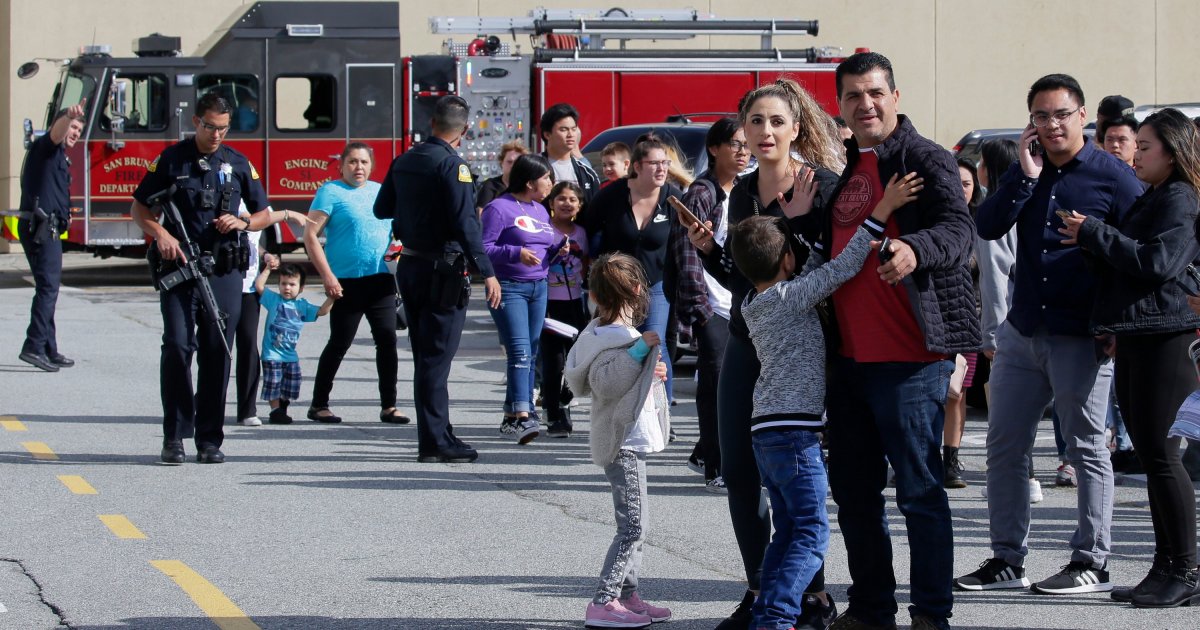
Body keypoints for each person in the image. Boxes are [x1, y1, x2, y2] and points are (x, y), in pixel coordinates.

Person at [801, 52, 978, 630]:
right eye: (853, 96)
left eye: (875, 93)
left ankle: (931, 614)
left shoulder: (925, 160)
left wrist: (915, 248)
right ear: (841, 107)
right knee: (854, 498)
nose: (865, 104)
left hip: (911, 359)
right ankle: (873, 608)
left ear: (895, 97)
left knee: (920, 495)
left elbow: (958, 230)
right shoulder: (850, 169)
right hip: (849, 362)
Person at [960, 73, 1143, 595]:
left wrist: (1118, 323)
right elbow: (989, 226)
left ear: (1082, 115)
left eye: (1061, 114)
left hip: (1081, 333)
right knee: (1004, 446)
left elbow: (1139, 255)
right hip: (1023, 329)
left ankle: (1092, 560)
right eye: (1041, 116)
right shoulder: (1028, 172)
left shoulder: (1113, 176)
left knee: (1086, 447)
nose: (1052, 124)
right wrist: (1021, 175)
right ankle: (1006, 560)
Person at [688, 78, 846, 630]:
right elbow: (745, 278)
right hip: (746, 340)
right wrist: (710, 253)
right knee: (737, 469)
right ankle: (759, 589)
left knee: (800, 492)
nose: (765, 131)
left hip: (806, 349)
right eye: (755, 122)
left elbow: (828, 271)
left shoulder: (821, 185)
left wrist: (801, 223)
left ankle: (814, 597)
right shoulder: (744, 191)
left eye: (776, 121)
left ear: (796, 126)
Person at [730, 171, 913, 630]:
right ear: (787, 261)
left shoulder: (755, 300)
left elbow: (811, 270)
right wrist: (882, 211)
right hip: (794, 435)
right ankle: (775, 618)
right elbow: (844, 264)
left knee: (788, 530)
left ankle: (766, 613)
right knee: (811, 532)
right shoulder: (792, 297)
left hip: (767, 432)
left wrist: (794, 224)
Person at [1060, 107, 1200, 608]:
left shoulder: (1181, 197)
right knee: (1150, 456)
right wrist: (1093, 239)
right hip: (1140, 333)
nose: (1135, 154)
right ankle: (1164, 568)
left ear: (1174, 150)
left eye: (1145, 147)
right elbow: (1130, 259)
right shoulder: (1155, 196)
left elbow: (1158, 262)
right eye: (1135, 146)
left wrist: (1095, 233)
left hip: (1169, 337)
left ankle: (1184, 570)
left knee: (1164, 457)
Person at [131, 92, 293, 465]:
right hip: (179, 270)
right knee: (176, 346)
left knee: (218, 350)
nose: (217, 134)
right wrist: (162, 234)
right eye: (210, 127)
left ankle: (209, 438)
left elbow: (264, 213)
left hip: (222, 271)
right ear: (196, 122)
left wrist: (243, 222)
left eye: (223, 128)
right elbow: (139, 208)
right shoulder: (171, 161)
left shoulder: (237, 163)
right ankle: (174, 436)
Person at [373, 95, 501, 464]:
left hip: (411, 265)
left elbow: (382, 208)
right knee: (436, 359)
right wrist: (487, 271)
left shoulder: (405, 159)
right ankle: (434, 441)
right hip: (443, 270)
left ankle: (438, 432)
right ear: (462, 132)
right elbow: (466, 224)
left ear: (432, 124)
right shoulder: (453, 166)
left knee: (425, 356)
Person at [563, 252, 672, 629]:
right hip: (621, 441)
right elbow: (606, 382)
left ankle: (628, 595)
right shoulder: (614, 337)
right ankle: (603, 601)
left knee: (637, 524)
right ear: (638, 290)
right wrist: (640, 352)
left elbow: (623, 382)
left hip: (628, 439)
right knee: (632, 527)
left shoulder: (603, 334)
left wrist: (649, 372)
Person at [304, 142, 408, 425]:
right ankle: (319, 404)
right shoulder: (331, 192)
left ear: (372, 166)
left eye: (363, 162)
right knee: (340, 342)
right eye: (352, 162)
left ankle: (389, 405)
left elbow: (397, 231)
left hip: (381, 280)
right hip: (345, 282)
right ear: (341, 165)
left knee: (387, 340)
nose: (358, 167)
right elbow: (310, 235)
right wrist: (327, 276)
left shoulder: (380, 191)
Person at [672, 118, 750, 492]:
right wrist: (699, 307)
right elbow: (687, 250)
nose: (742, 151)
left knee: (739, 384)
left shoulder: (746, 189)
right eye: (734, 144)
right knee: (716, 383)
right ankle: (715, 465)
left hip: (741, 303)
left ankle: (704, 451)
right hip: (712, 305)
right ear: (715, 148)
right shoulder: (701, 193)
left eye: (746, 145)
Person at [973, 139, 1047, 504]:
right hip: (1037, 318)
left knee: (1007, 412)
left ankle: (1021, 479)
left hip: (1009, 325)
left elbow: (995, 277)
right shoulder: (1033, 200)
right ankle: (1026, 477)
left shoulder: (996, 211)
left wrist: (991, 334)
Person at [590, 138, 683, 406]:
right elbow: (589, 230)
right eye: (654, 163)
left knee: (655, 343)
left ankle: (660, 410)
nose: (661, 168)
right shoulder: (612, 195)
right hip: (617, 285)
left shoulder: (673, 198)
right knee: (621, 343)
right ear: (637, 166)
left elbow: (689, 238)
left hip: (656, 283)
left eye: (665, 163)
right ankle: (621, 406)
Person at [481, 154, 565, 444]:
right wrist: (515, 253)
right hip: (508, 287)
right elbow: (483, 248)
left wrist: (558, 251)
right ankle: (523, 414)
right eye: (547, 179)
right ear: (530, 182)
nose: (551, 184)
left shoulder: (540, 210)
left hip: (538, 287)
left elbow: (543, 247)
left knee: (530, 350)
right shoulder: (498, 208)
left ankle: (511, 415)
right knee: (518, 351)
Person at [17, 99, 86, 373]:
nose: (75, 133)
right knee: (48, 288)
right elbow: (55, 133)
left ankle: (48, 348)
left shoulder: (58, 157)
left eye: (79, 130)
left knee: (48, 288)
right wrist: (68, 116)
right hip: (41, 228)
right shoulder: (46, 148)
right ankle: (33, 346)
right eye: (73, 127)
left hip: (48, 227)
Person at [942, 158, 984, 489]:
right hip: (933, 322)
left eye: (966, 184)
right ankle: (920, 456)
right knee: (929, 394)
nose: (960, 189)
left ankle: (950, 459)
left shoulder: (981, 228)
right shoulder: (931, 221)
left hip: (968, 322)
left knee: (958, 394)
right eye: (954, 182)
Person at [253, 260, 335, 423]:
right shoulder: (274, 300)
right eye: (283, 284)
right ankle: (275, 411)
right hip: (272, 353)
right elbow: (259, 286)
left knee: (292, 382)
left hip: (290, 355)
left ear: (301, 288)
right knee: (273, 383)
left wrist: (331, 298)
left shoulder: (302, 306)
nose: (287, 288)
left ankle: (282, 406)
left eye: (292, 284)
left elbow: (322, 311)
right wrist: (268, 269)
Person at [540, 181, 591, 437]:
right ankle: (552, 414)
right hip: (549, 302)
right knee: (554, 361)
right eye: (560, 198)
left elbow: (585, 262)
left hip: (574, 303)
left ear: (579, 206)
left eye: (572, 199)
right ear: (551, 203)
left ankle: (564, 398)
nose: (566, 203)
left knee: (577, 359)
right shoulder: (544, 230)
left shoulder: (582, 232)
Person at [539, 102, 601, 205]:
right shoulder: (532, 168)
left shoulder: (587, 173)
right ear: (547, 134)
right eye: (563, 130)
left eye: (574, 129)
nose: (571, 134)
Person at [475, 140, 529, 215]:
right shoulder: (491, 185)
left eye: (517, 162)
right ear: (502, 163)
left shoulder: (528, 186)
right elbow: (481, 212)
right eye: (509, 162)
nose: (513, 166)